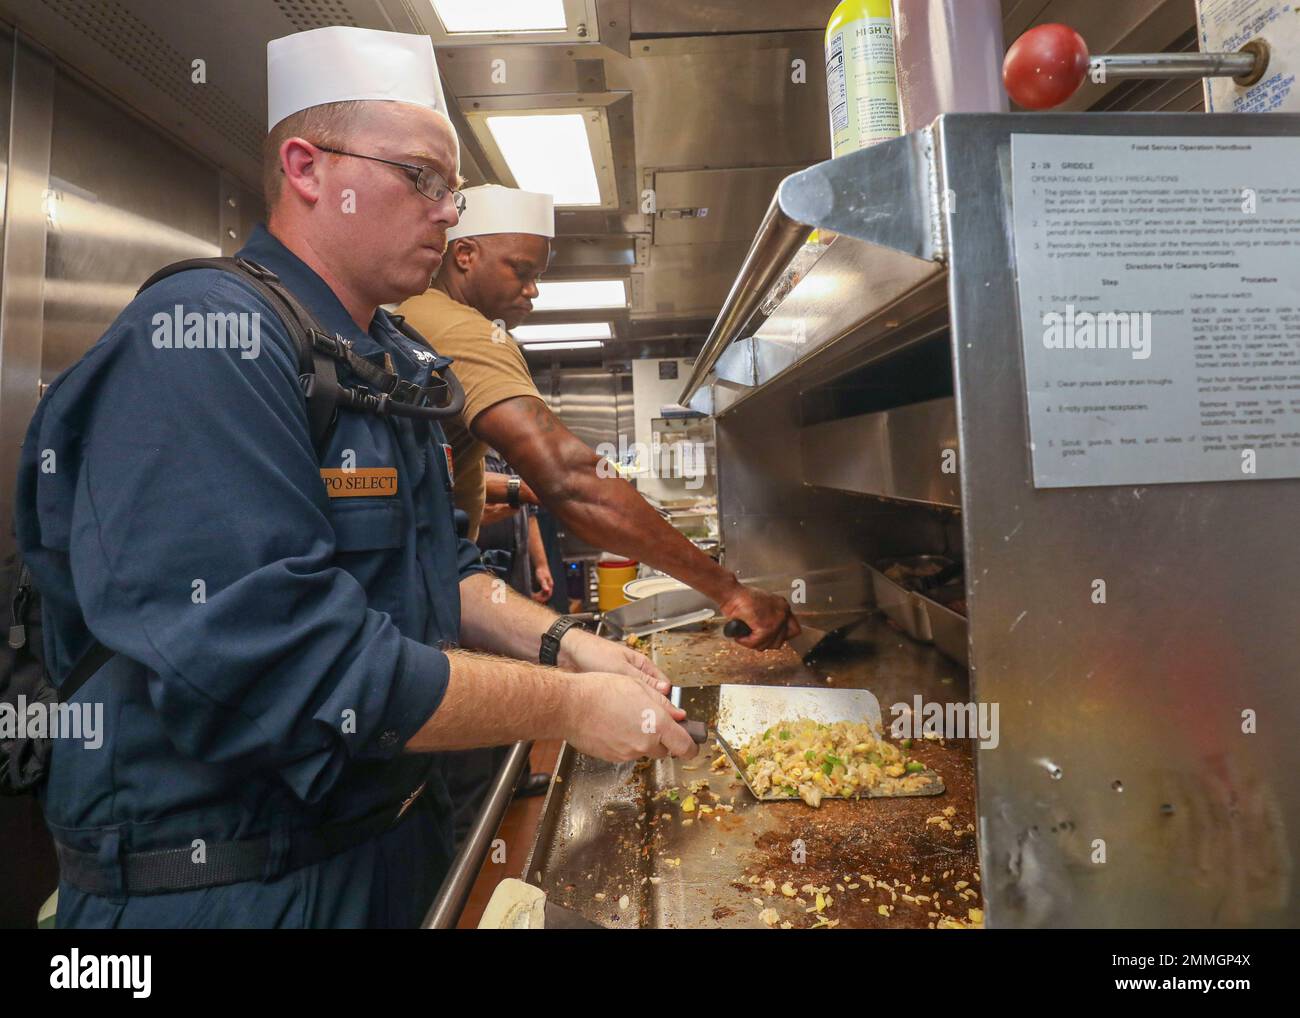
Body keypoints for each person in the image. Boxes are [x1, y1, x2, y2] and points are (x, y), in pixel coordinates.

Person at [14, 25, 695, 930]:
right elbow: (297, 668)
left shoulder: (384, 358)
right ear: (306, 168)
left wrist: (566, 642)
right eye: (423, 177)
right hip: (227, 888)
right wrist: (572, 705)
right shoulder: (208, 341)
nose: (451, 212)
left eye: (453, 188)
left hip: (378, 852)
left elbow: (439, 573)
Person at [397, 186, 799, 651]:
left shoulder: (415, 313)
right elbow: (571, 479)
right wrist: (730, 592)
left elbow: (432, 470)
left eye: (538, 276)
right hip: (423, 596)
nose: (533, 291)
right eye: (522, 271)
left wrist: (518, 488)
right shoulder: (467, 331)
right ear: (464, 255)